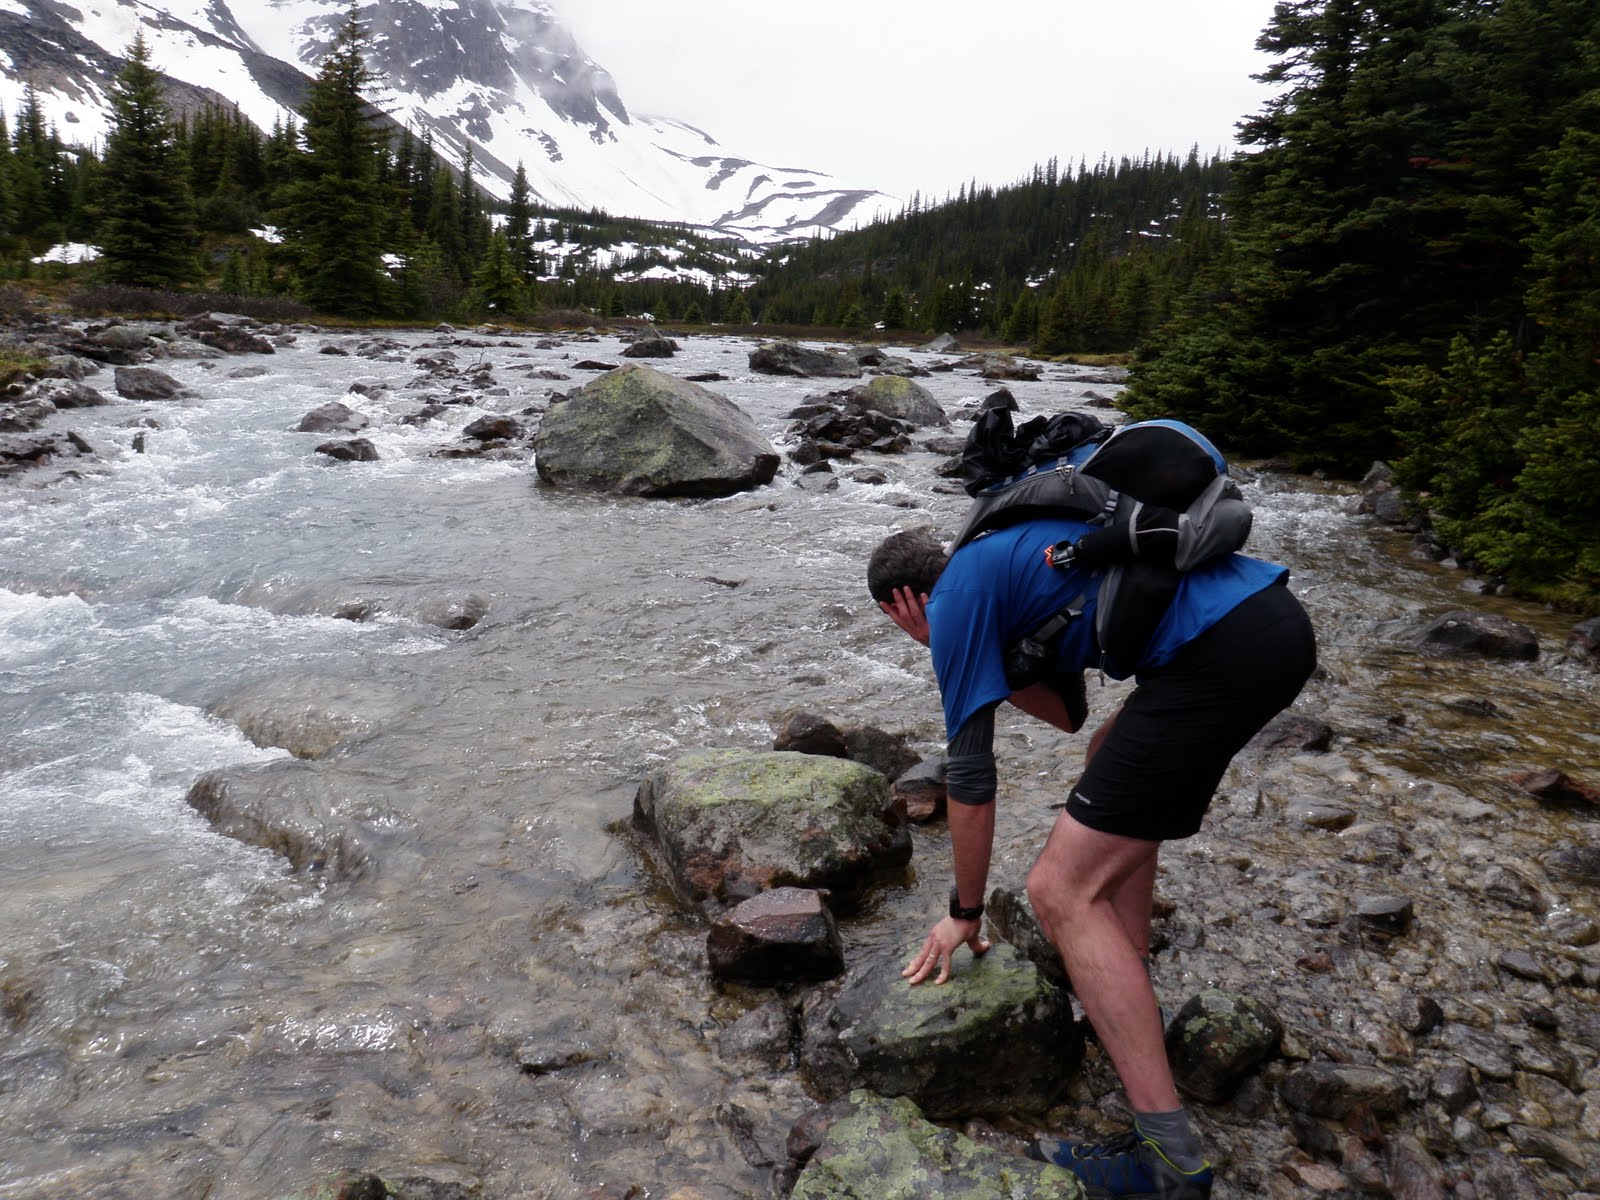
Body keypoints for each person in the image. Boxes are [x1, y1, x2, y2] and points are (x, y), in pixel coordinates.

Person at [866, 482, 1316, 1200]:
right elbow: (1070, 713)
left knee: (1058, 890)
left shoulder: (954, 605)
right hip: (1270, 623)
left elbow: (972, 779)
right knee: (1107, 750)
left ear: (900, 603)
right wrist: (977, 651)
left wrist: (964, 911)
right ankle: (1126, 983)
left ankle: (1169, 1163)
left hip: (1220, 656)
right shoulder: (1003, 562)